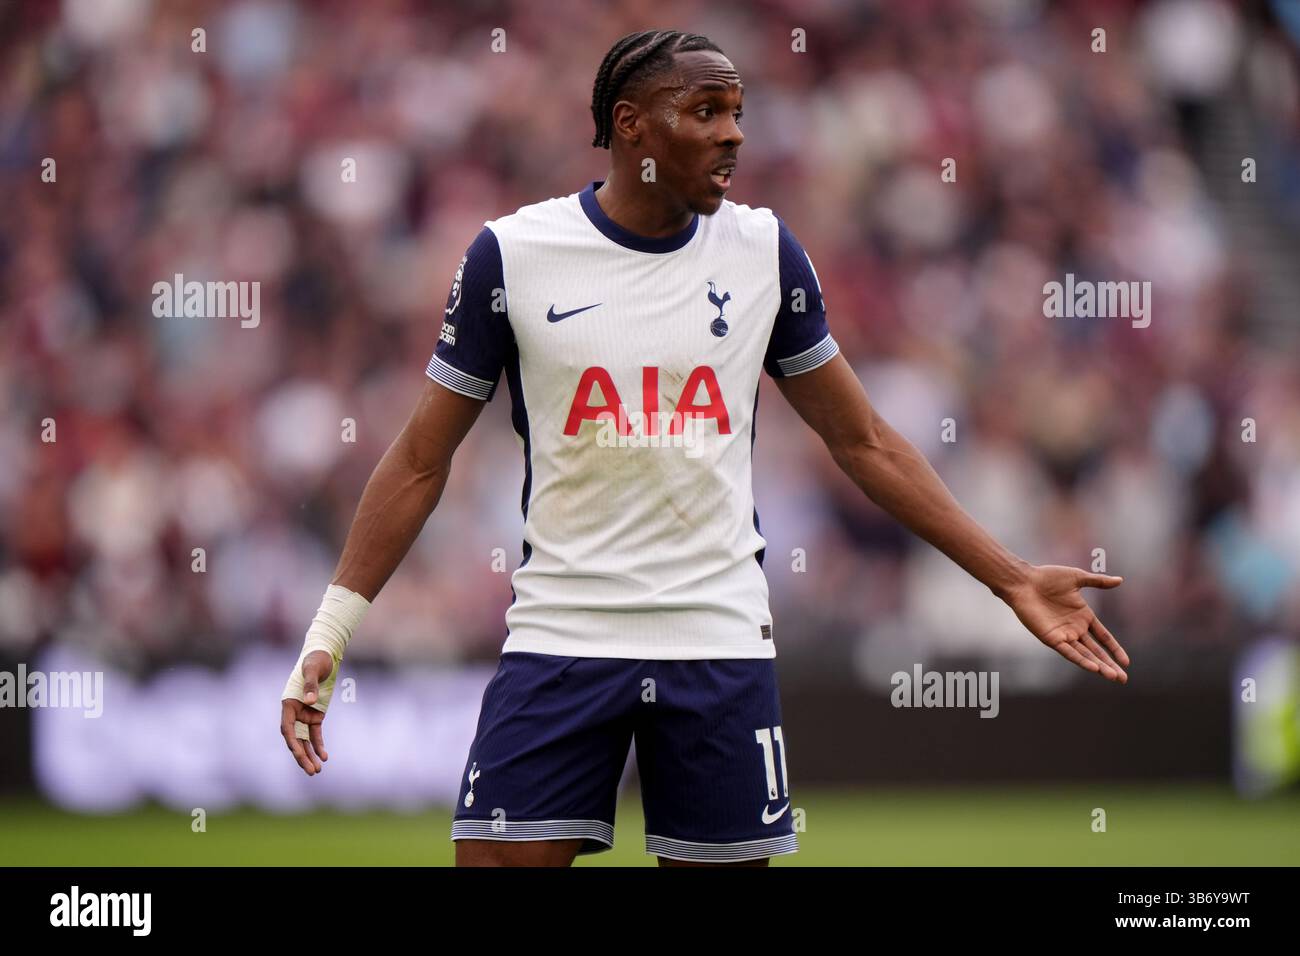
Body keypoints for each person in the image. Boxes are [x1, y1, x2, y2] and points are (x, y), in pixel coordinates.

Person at [279, 29, 1129, 868]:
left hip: (718, 642)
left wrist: (1010, 577)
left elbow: (862, 440)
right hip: (563, 630)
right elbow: (422, 460)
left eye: (739, 113)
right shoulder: (514, 255)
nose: (734, 134)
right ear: (632, 125)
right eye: (708, 111)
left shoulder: (764, 252)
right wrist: (332, 629)